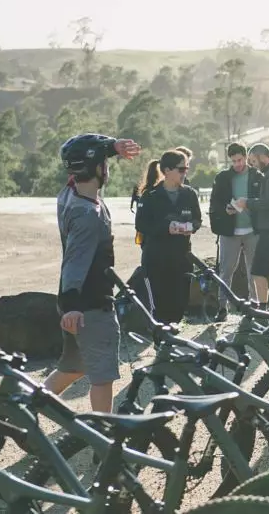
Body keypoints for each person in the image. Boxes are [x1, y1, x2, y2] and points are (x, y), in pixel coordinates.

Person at [45, 133, 141, 414]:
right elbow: (75, 261)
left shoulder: (70, 195)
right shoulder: (88, 214)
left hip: (73, 304)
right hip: (88, 306)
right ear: (98, 169)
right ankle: (104, 439)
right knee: (102, 377)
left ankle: (24, 408)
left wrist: (110, 148)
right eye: (103, 163)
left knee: (73, 368)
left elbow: (81, 153)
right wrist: (74, 306)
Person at [135, 149, 202, 324]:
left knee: (179, 306)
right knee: (160, 308)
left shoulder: (190, 194)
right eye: (181, 169)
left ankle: (171, 342)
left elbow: (197, 219)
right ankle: (161, 345)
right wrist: (167, 228)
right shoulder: (150, 196)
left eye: (186, 168)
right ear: (166, 171)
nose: (185, 173)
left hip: (182, 260)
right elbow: (141, 225)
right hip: (157, 260)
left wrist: (190, 227)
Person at [233, 143, 269, 314]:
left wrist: (247, 203)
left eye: (253, 161)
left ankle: (262, 308)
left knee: (258, 270)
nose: (252, 165)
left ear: (262, 157)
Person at [209, 142, 264, 321]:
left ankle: (254, 307)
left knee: (253, 270)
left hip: (252, 230)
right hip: (229, 231)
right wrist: (225, 209)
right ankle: (222, 308)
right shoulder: (223, 177)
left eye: (240, 160)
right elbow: (215, 202)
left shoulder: (257, 175)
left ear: (246, 157)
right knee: (226, 270)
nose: (237, 164)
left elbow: (263, 200)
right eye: (233, 161)